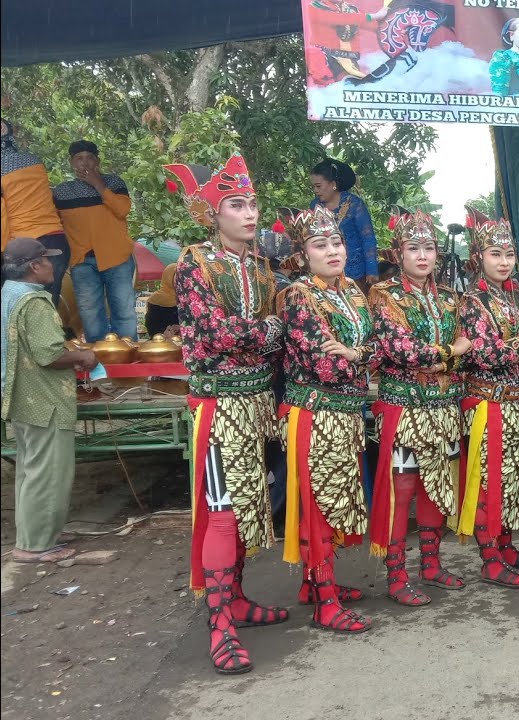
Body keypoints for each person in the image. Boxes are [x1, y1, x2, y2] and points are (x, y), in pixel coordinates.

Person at [164, 154, 289, 674]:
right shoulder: (195, 263)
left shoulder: (261, 266)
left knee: (246, 508)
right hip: (219, 407)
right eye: (237, 205)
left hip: (257, 403)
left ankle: (236, 600)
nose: (250, 213)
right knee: (221, 511)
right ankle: (219, 627)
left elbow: (249, 334)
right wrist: (269, 333)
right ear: (214, 215)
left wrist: (258, 337)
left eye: (253, 203)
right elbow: (214, 334)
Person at [275, 205, 374, 634]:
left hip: (347, 413)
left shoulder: (352, 289)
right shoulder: (297, 295)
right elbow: (321, 363)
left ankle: (315, 586)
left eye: (336, 241)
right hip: (315, 413)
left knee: (333, 500)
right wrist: (361, 359)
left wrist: (355, 354)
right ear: (303, 254)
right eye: (320, 244)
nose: (333, 250)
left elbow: (378, 346)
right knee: (317, 506)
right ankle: (325, 602)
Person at [366, 208, 471, 605]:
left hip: (444, 409)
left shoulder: (449, 298)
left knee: (436, 487)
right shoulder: (384, 295)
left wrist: (440, 355)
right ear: (399, 252)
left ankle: (431, 564)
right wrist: (449, 353)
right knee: (403, 490)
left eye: (429, 247)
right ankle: (396, 575)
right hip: (404, 410)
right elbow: (402, 350)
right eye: (414, 248)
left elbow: (468, 348)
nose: (423, 256)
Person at [455, 206, 519, 588]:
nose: (504, 261)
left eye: (509, 254)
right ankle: (489, 559)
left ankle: (506, 547)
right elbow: (485, 356)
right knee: (489, 481)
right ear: (478, 257)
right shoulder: (472, 303)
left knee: (513, 479)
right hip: (490, 405)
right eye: (496, 254)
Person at [2, 237, 97, 564]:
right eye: (47, 260)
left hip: (22, 397)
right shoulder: (35, 302)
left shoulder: (8, 294)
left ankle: (41, 532)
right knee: (48, 472)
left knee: (31, 470)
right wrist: (83, 355)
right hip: (44, 399)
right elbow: (49, 354)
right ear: (33, 267)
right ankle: (35, 546)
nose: (52, 265)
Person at [53, 140, 137, 342]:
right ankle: (99, 367)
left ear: (97, 161)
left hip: (117, 258)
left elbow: (122, 209)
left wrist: (98, 184)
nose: (85, 163)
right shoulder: (62, 191)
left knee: (124, 313)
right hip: (82, 262)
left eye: (90, 158)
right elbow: (54, 223)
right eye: (79, 158)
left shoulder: (114, 183)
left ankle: (128, 366)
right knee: (91, 316)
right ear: (71, 162)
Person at [1, 119, 70, 302]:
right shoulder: (34, 161)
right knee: (48, 303)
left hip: (23, 248)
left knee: (20, 305)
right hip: (56, 240)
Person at [310, 158, 378, 289]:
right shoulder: (315, 205)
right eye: (313, 186)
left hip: (355, 272)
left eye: (318, 186)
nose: (315, 190)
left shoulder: (354, 204)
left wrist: (372, 268)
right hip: (325, 271)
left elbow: (368, 238)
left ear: (333, 184)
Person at [144, 263, 180, 338]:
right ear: (168, 277)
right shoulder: (155, 299)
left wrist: (181, 328)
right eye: (177, 277)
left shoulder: (188, 298)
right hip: (160, 343)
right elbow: (151, 325)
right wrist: (164, 332)